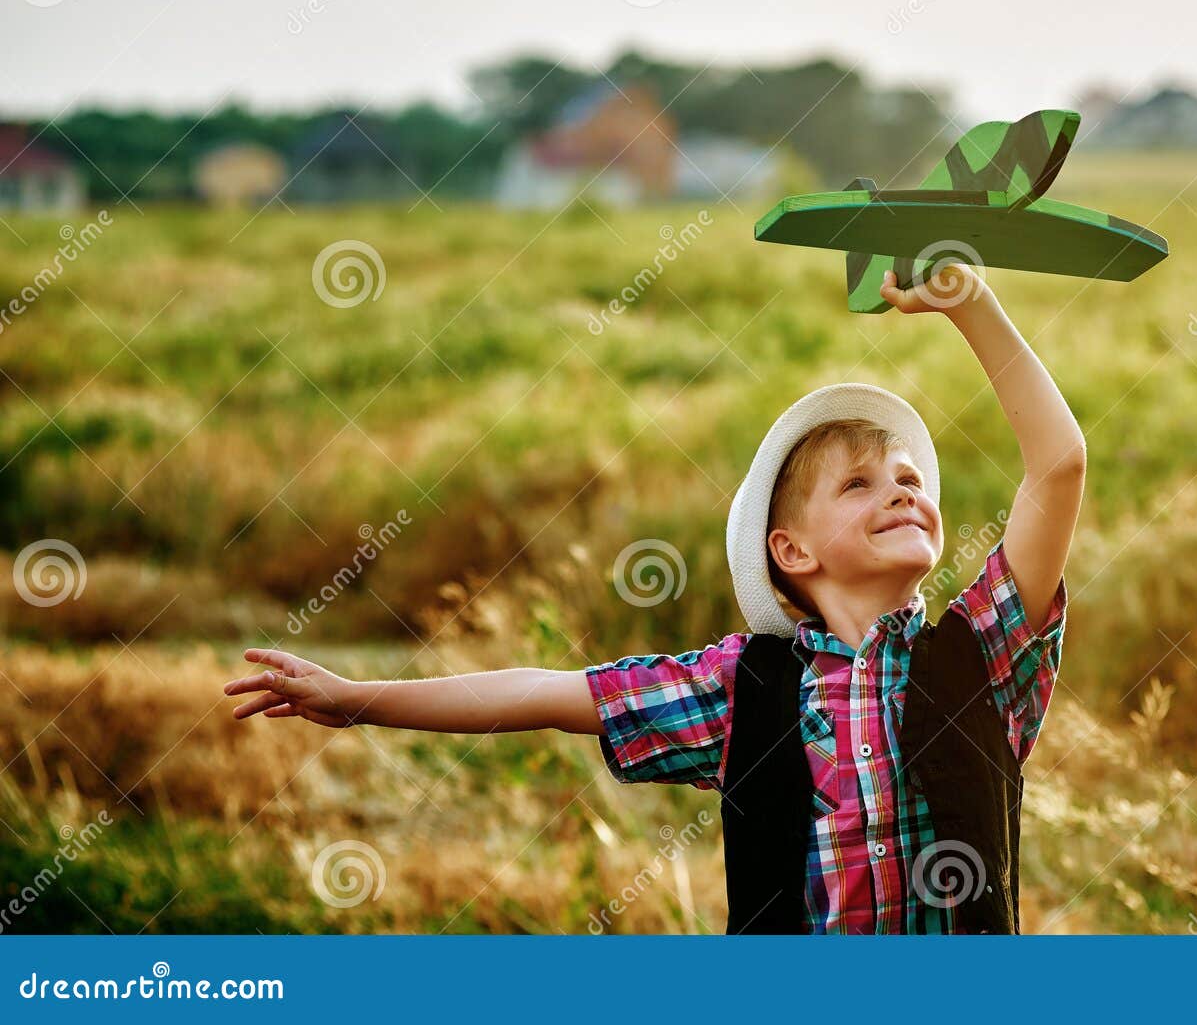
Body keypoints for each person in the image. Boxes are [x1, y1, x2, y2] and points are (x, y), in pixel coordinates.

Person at [224, 263, 1087, 933]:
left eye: (908, 478)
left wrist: (969, 303)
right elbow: (544, 692)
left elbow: (1058, 464)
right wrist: (359, 698)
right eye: (859, 484)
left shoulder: (980, 653)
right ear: (789, 551)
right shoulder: (742, 689)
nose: (901, 491)